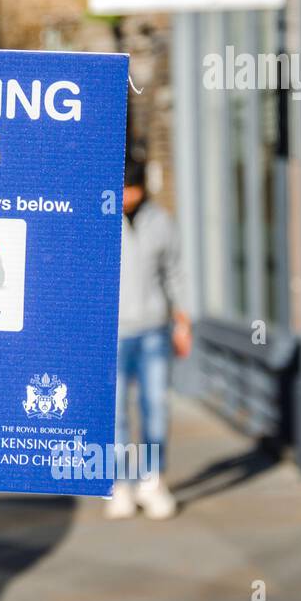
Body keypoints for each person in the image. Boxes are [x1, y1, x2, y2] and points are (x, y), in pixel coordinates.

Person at [107, 152, 191, 520]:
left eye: (132, 189)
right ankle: (121, 484)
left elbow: (175, 272)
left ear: (143, 188)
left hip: (155, 329)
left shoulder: (161, 222)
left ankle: (152, 481)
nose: (126, 196)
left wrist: (182, 322)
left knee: (155, 406)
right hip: (113, 332)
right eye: (122, 189)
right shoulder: (100, 218)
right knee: (115, 413)